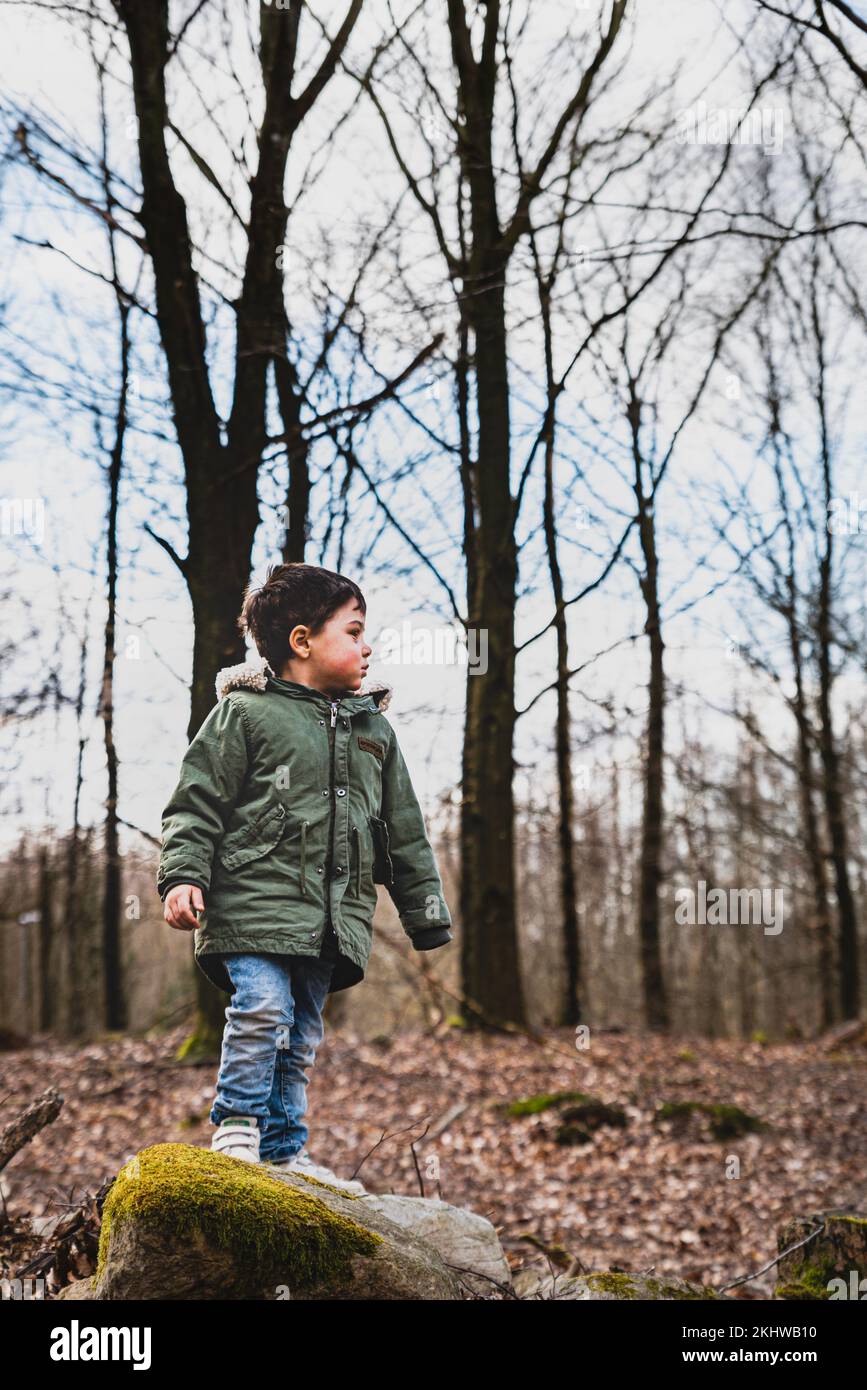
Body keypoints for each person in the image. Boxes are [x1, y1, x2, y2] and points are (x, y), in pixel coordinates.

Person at [157, 562, 453, 1177]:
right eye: (353, 631)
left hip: (330, 920)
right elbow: (197, 802)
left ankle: (284, 1151)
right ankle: (237, 1125)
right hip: (251, 906)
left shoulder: (376, 731)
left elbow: (403, 830)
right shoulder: (246, 714)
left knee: (298, 1041)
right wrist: (184, 874)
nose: (366, 646)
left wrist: (425, 911)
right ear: (302, 642)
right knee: (262, 1010)